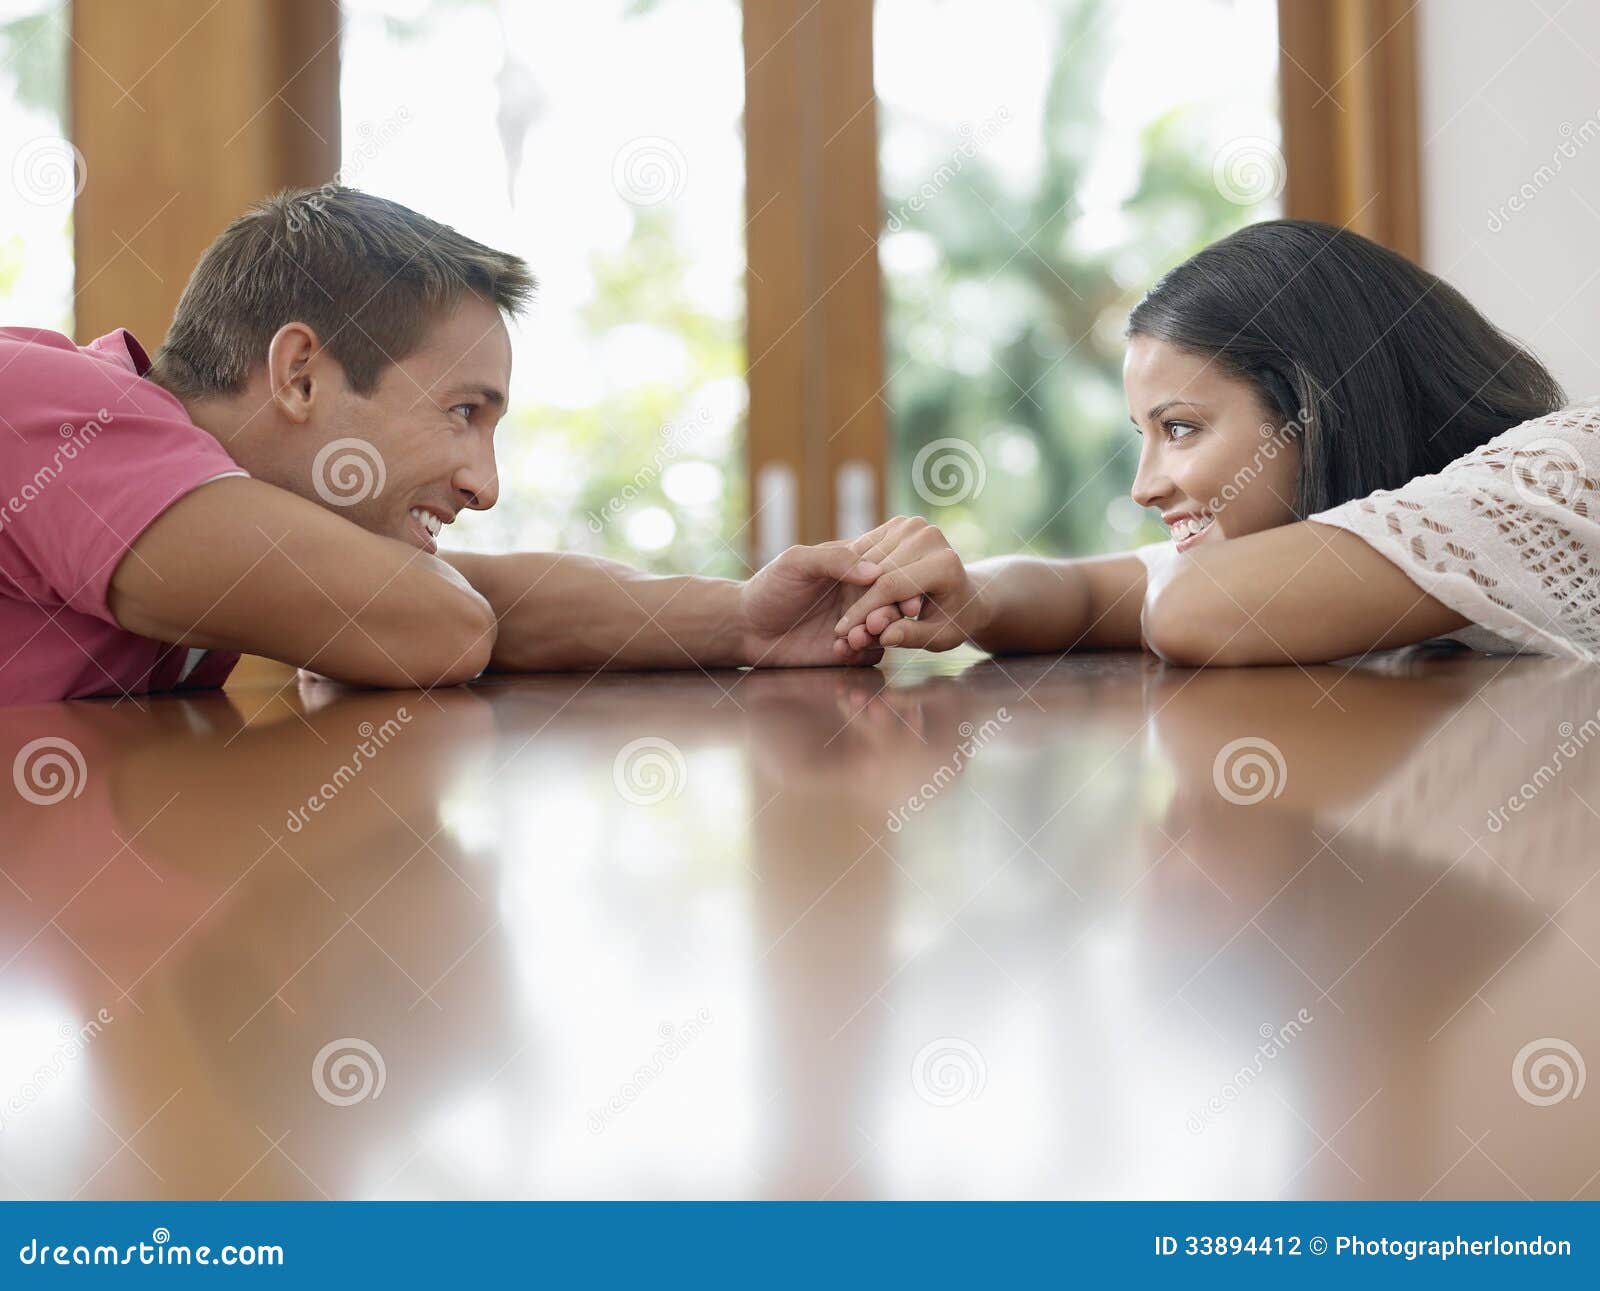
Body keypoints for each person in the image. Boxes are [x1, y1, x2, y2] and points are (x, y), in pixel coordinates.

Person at [0, 187, 911, 707]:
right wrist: (414, 614)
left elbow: (468, 607)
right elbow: (436, 625)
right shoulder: (46, 410)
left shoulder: (204, 501)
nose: (483, 485)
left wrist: (748, 619)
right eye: (461, 414)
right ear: (301, 374)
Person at [831, 219, 1600, 667]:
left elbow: (1189, 606)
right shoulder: (1353, 546)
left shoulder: (1563, 466)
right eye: (1146, 435)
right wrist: (971, 594)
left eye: (1181, 428)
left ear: (1315, 407)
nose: (1145, 487)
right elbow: (1089, 592)